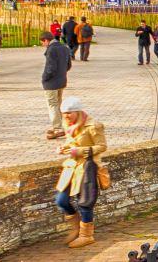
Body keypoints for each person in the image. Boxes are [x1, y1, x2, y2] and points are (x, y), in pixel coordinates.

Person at [54, 96, 106, 249]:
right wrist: (64, 148)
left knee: (85, 202)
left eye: (69, 114)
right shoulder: (68, 124)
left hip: (87, 167)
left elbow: (102, 146)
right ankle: (76, 227)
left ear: (77, 112)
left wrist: (80, 151)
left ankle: (86, 235)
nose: (66, 117)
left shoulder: (94, 126)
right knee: (61, 200)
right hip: (71, 167)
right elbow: (71, 142)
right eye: (64, 114)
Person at [40, 31, 71, 140]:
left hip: (51, 82)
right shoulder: (64, 47)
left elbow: (50, 68)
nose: (43, 45)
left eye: (42, 43)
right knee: (58, 103)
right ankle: (61, 126)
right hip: (61, 80)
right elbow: (69, 65)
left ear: (46, 40)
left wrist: (45, 78)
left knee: (52, 104)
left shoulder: (51, 49)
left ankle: (57, 128)